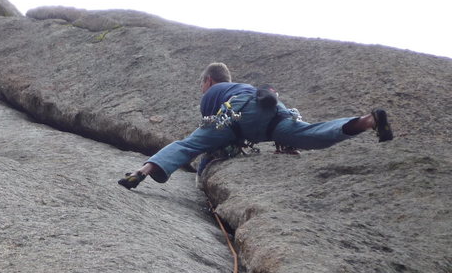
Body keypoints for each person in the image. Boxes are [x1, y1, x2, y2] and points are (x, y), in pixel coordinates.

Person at [118, 62, 393, 189]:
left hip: (237, 115)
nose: (202, 90)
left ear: (209, 81)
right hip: (273, 112)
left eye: (202, 85)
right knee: (309, 134)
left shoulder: (216, 92)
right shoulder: (247, 87)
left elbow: (210, 135)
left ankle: (142, 171)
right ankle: (367, 121)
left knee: (188, 145)